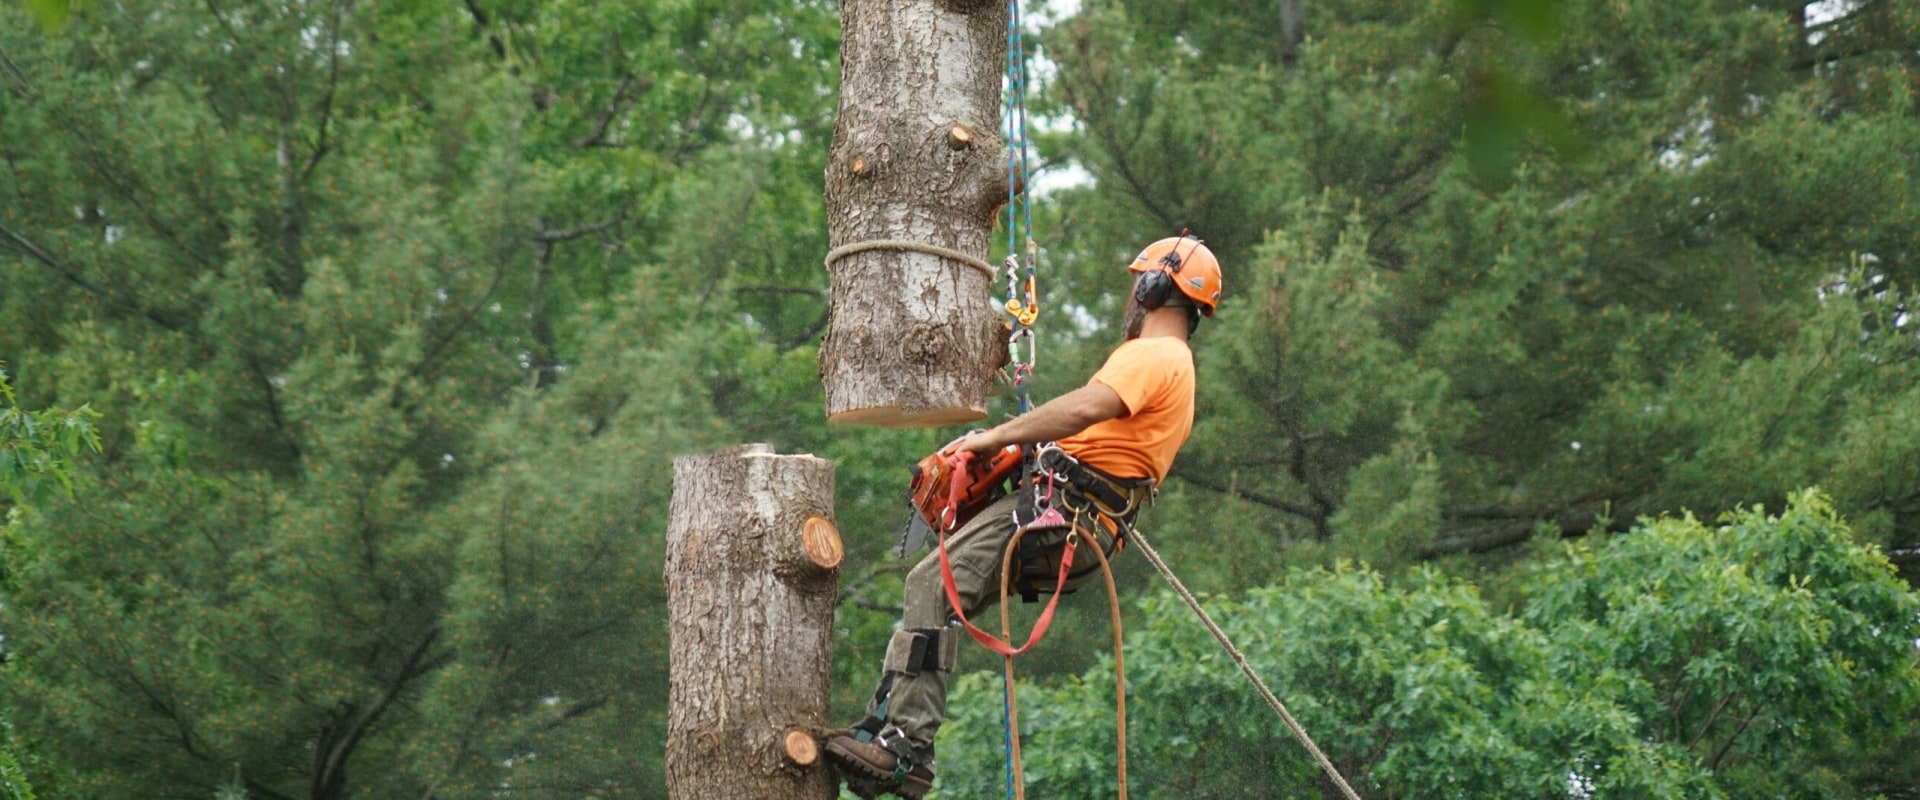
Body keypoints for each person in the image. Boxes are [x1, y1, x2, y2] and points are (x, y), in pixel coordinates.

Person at [824, 235, 1222, 799]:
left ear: (1155, 286)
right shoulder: (1176, 365)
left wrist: (995, 437)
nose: (1130, 296)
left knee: (930, 583)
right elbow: (1101, 437)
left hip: (1066, 512)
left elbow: (1086, 407)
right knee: (933, 598)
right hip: (1081, 521)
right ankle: (886, 725)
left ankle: (906, 746)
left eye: (1138, 283)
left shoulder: (1154, 355)